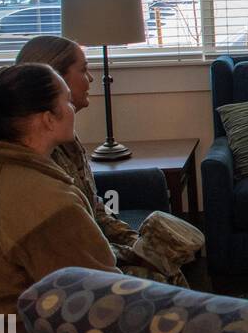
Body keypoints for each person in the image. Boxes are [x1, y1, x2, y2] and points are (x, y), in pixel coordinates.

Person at [15, 36, 201, 286]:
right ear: (57, 78)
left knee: (167, 265)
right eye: (83, 70)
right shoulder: (33, 162)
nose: (91, 79)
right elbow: (72, 248)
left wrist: (134, 242)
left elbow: (94, 209)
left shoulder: (65, 138)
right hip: (67, 277)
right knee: (161, 273)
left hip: (91, 252)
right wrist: (137, 255)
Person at [0, 63, 118, 316]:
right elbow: (103, 295)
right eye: (68, 102)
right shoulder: (50, 201)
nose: (73, 109)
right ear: (48, 119)